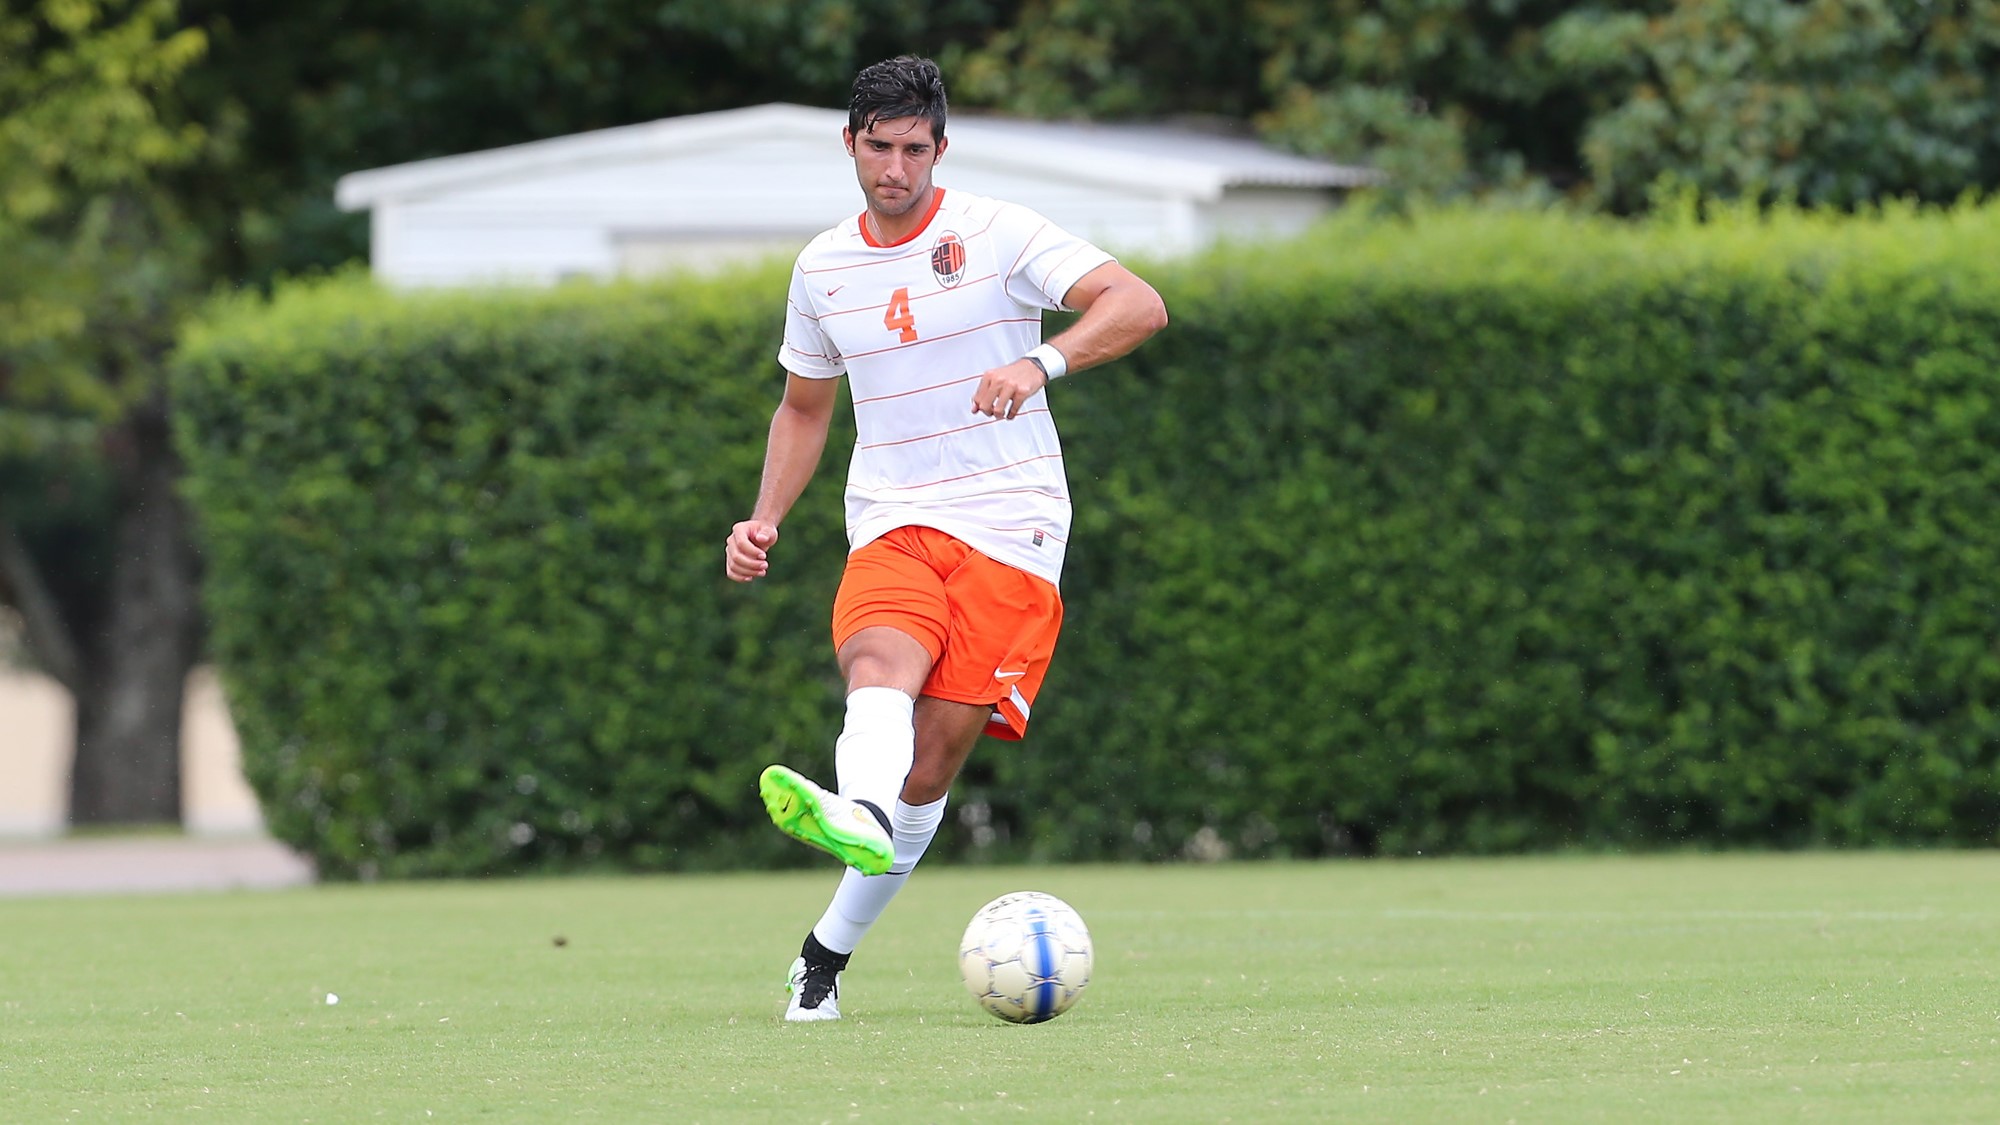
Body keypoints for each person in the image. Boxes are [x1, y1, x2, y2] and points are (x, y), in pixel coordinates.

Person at [723, 55, 1168, 1023]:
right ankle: (858, 812)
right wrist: (765, 516)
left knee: (929, 767)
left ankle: (822, 953)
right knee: (877, 663)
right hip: (892, 515)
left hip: (1012, 525)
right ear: (849, 144)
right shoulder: (821, 268)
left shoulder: (999, 232)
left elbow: (1138, 304)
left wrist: (1040, 362)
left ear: (940, 148)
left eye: (913, 150)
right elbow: (804, 408)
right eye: (878, 147)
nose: (895, 168)